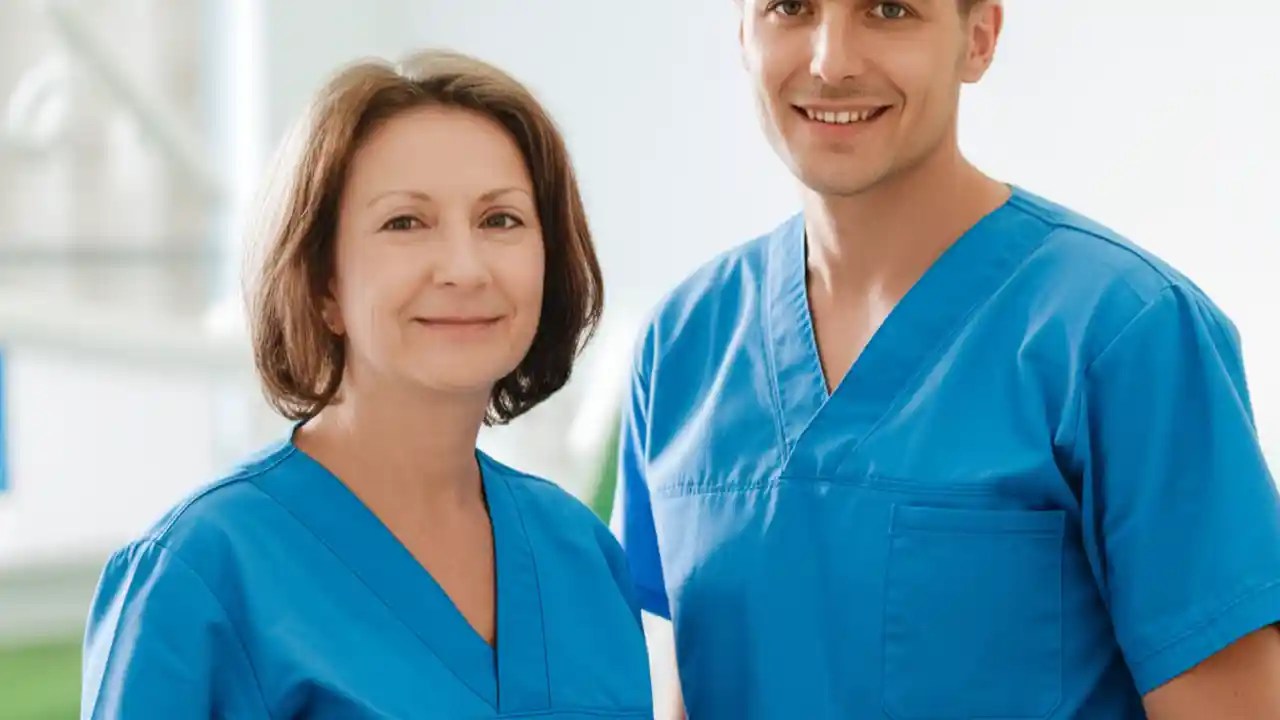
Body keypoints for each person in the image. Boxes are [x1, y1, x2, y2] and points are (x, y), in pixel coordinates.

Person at [612, 1, 1280, 718]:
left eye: (889, 10)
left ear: (979, 37)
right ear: (744, 32)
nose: (831, 61)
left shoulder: (1127, 333)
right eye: (790, 8)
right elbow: (678, 688)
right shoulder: (682, 347)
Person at [81, 49, 653, 719]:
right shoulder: (197, 575)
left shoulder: (582, 557)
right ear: (323, 284)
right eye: (404, 223)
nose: (465, 269)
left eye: (501, 220)